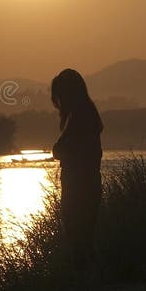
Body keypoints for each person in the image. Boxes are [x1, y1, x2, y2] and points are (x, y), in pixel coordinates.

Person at [51, 68, 103, 270]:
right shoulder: (88, 114)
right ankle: (93, 287)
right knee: (84, 243)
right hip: (88, 185)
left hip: (78, 188)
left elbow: (59, 150)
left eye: (61, 97)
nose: (59, 103)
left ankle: (87, 290)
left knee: (79, 244)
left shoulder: (80, 118)